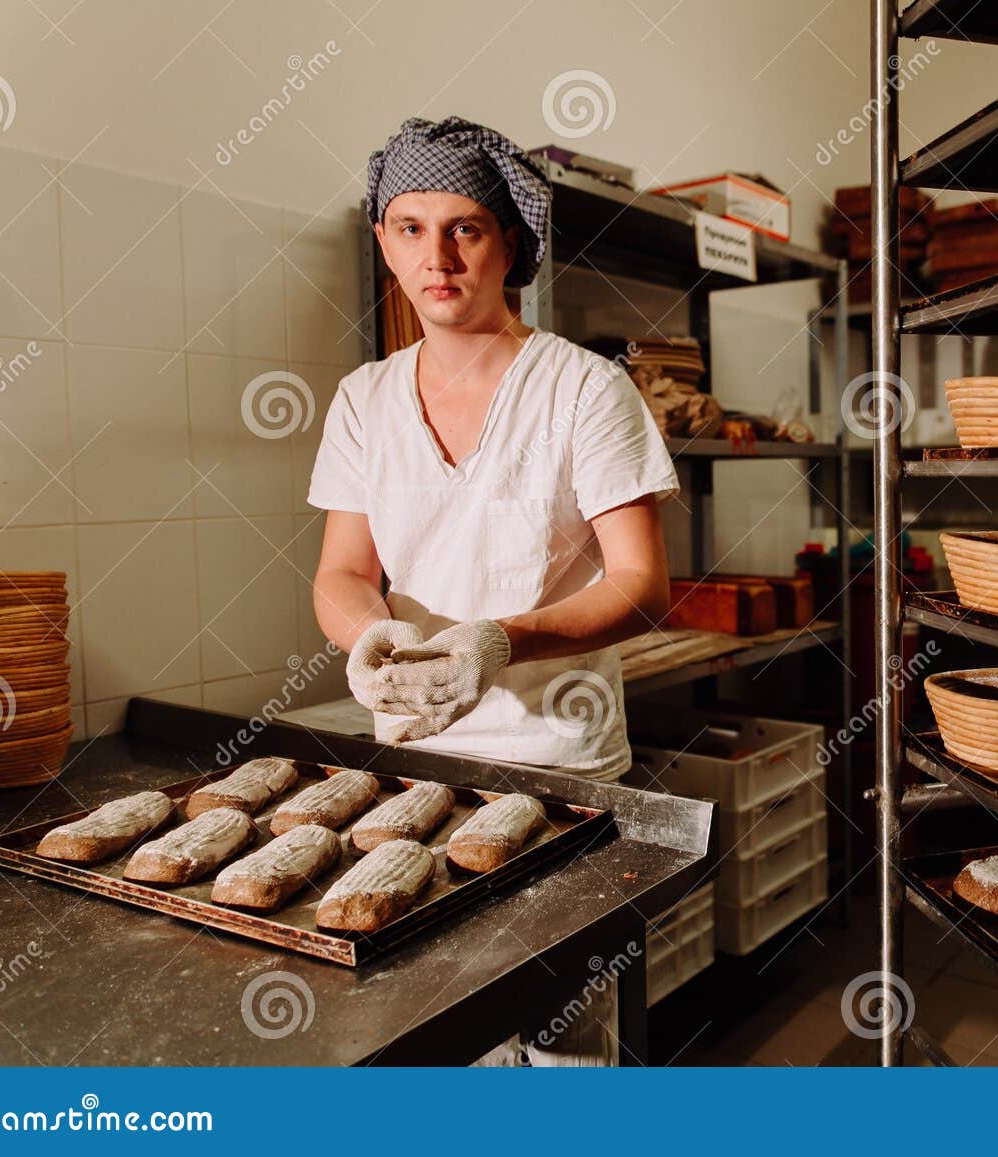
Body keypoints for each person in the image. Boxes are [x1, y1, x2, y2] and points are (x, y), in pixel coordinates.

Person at [307, 116, 679, 1064]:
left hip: (557, 768)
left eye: (465, 228)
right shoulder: (363, 399)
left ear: (509, 242)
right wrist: (364, 639)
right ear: (384, 240)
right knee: (438, 1032)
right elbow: (345, 571)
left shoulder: (585, 390)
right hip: (415, 767)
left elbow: (642, 586)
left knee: (559, 1048)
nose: (437, 255)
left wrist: (498, 640)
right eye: (410, 226)